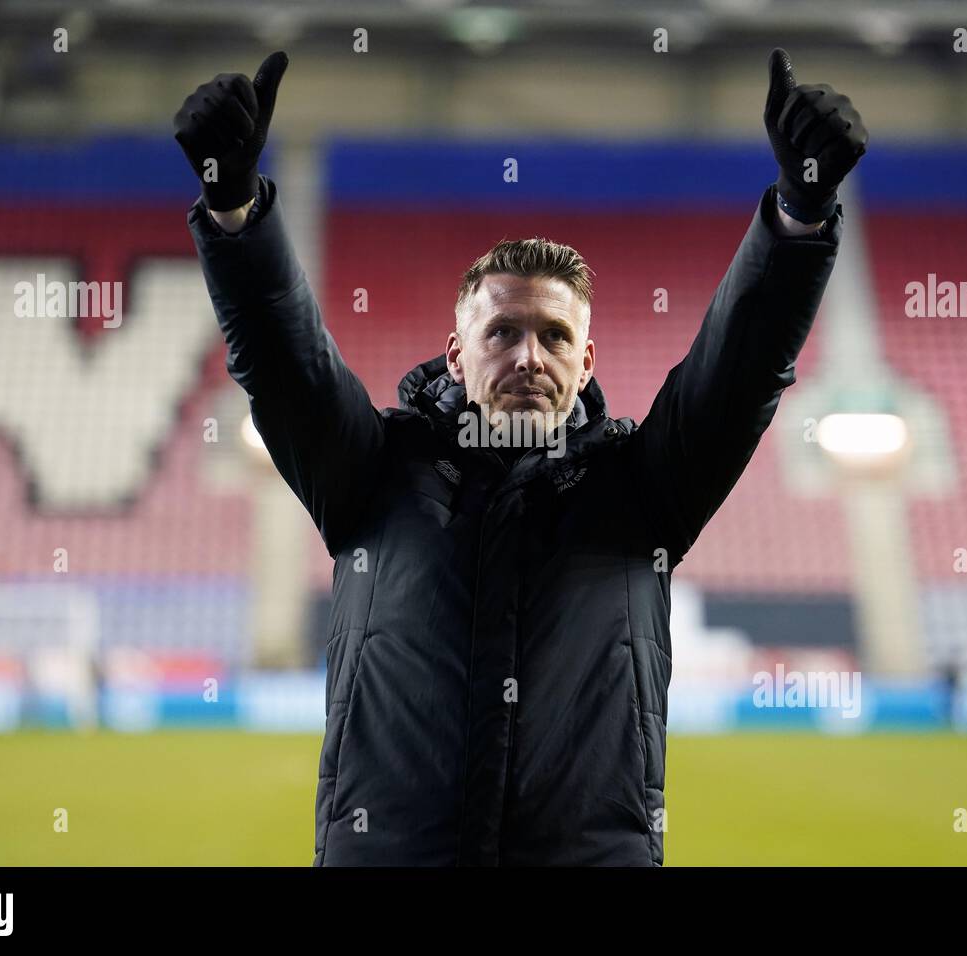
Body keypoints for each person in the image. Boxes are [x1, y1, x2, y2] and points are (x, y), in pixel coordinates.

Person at [174, 48, 867, 865]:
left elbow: (742, 368)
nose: (529, 357)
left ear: (587, 362)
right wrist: (232, 205)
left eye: (554, 336)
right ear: (457, 356)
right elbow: (281, 358)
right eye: (502, 332)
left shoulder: (644, 487)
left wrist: (801, 208)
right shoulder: (370, 471)